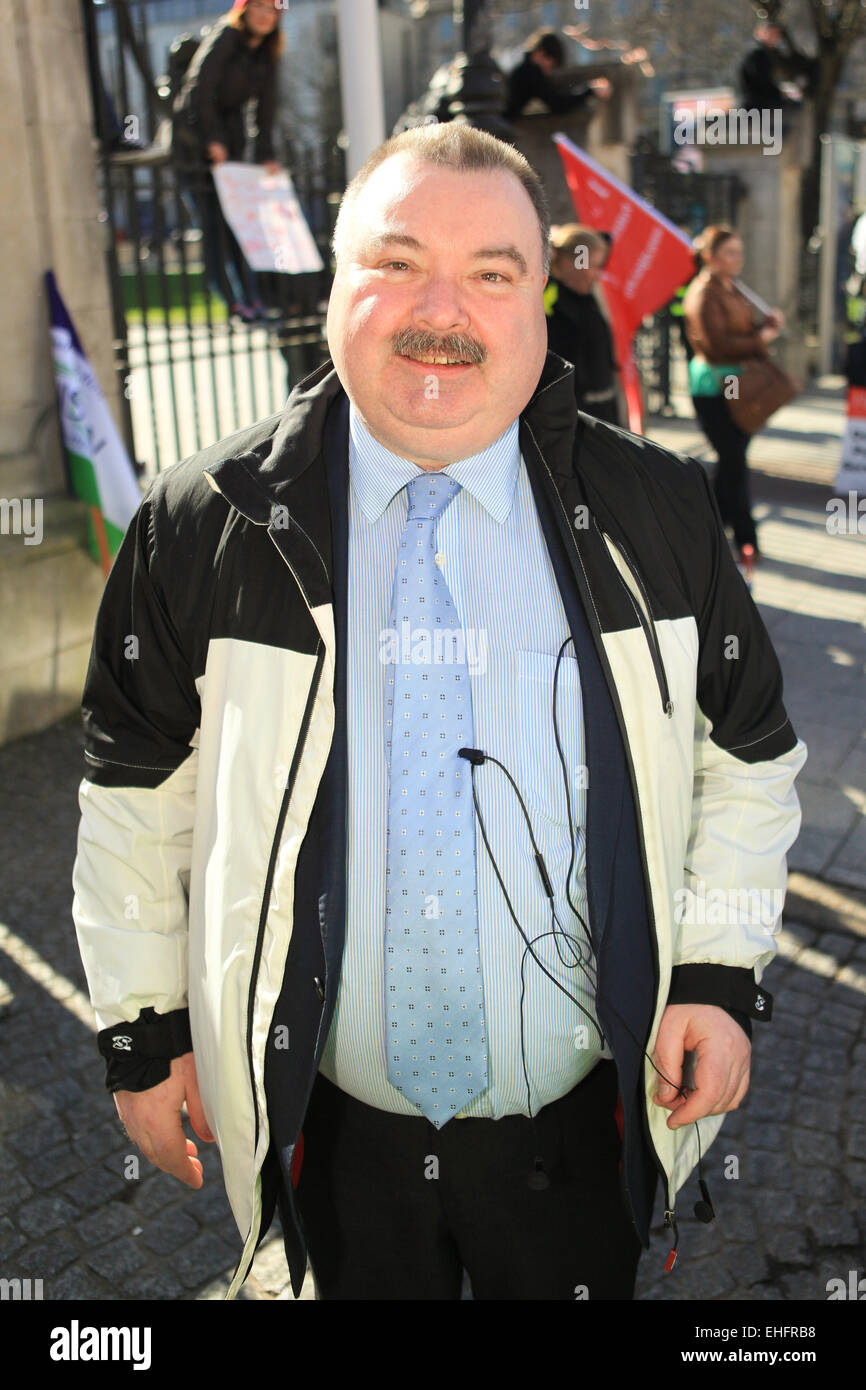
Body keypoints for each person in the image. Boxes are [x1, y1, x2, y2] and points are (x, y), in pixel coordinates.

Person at [71, 124, 806, 1302]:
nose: (439, 311)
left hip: (577, 1132)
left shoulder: (657, 513)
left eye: (490, 273)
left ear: (539, 301)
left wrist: (717, 973)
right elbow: (133, 784)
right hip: (326, 1131)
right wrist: (143, 1031)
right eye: (397, 262)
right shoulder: (201, 523)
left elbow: (749, 756)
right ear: (332, 290)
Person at [172, 0, 284, 321]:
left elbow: (266, 109)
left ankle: (252, 298)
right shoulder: (225, 36)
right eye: (260, 7)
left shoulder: (267, 52)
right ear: (244, 9)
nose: (266, 16)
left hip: (229, 148)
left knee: (239, 227)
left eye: (273, 10)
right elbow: (199, 90)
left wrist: (266, 155)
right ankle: (229, 299)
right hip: (195, 145)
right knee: (213, 226)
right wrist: (213, 140)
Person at [682, 224, 784, 565]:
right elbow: (717, 345)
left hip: (737, 384)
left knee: (731, 460)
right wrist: (763, 338)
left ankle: (706, 528)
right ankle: (744, 537)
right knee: (734, 460)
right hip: (717, 386)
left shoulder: (733, 288)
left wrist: (762, 329)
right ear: (710, 256)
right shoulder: (703, 293)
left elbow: (739, 332)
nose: (738, 259)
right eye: (730, 252)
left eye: (740, 251)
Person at [545, 223, 620, 424]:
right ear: (572, 262)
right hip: (574, 415)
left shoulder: (586, 299)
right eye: (594, 266)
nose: (597, 274)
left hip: (600, 410)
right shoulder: (550, 299)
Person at [504, 29, 612, 122]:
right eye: (551, 65)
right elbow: (558, 103)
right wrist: (590, 90)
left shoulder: (523, 69)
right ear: (540, 53)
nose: (549, 71)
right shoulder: (531, 72)